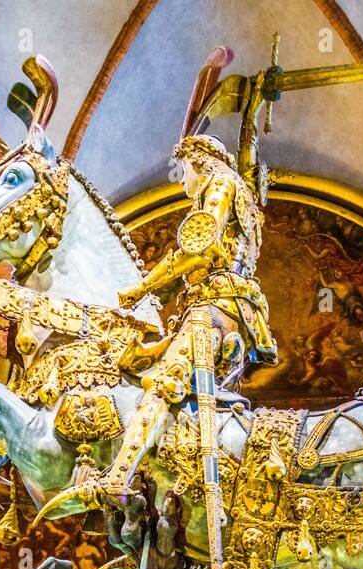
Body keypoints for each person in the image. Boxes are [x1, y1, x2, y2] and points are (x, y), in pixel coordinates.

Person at [42, 134, 277, 522]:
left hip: (216, 308)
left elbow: (197, 249)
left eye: (183, 170)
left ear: (198, 161)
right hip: (227, 312)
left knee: (166, 382)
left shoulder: (218, 184)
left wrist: (140, 288)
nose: (182, 181)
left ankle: (118, 477)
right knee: (138, 361)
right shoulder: (240, 197)